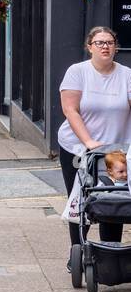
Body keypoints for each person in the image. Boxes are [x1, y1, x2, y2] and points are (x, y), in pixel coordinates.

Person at [58, 26, 131, 252]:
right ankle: (78, 251)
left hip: (116, 150)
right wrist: (88, 142)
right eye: (99, 43)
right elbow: (70, 110)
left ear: (115, 47)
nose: (105, 47)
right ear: (89, 47)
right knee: (81, 201)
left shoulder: (126, 74)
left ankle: (111, 254)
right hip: (78, 148)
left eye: (109, 42)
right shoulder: (77, 72)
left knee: (114, 201)